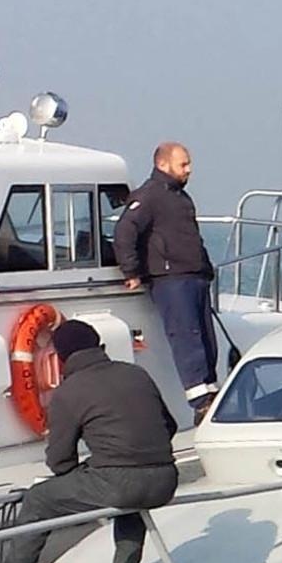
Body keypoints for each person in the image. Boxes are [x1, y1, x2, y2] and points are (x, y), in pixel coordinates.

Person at [0, 320, 178, 563]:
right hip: (166, 479)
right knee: (129, 503)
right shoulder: (136, 373)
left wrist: (89, 468)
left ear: (60, 358)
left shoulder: (68, 392)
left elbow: (60, 461)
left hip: (120, 483)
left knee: (38, 500)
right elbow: (170, 426)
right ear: (100, 346)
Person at [113, 142, 219, 417]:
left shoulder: (181, 198)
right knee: (187, 337)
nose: (189, 169)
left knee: (206, 338)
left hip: (194, 276)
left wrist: (206, 269)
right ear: (163, 165)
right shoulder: (149, 196)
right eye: (183, 164)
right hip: (171, 279)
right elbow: (125, 231)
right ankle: (200, 401)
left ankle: (211, 390)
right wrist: (131, 271)